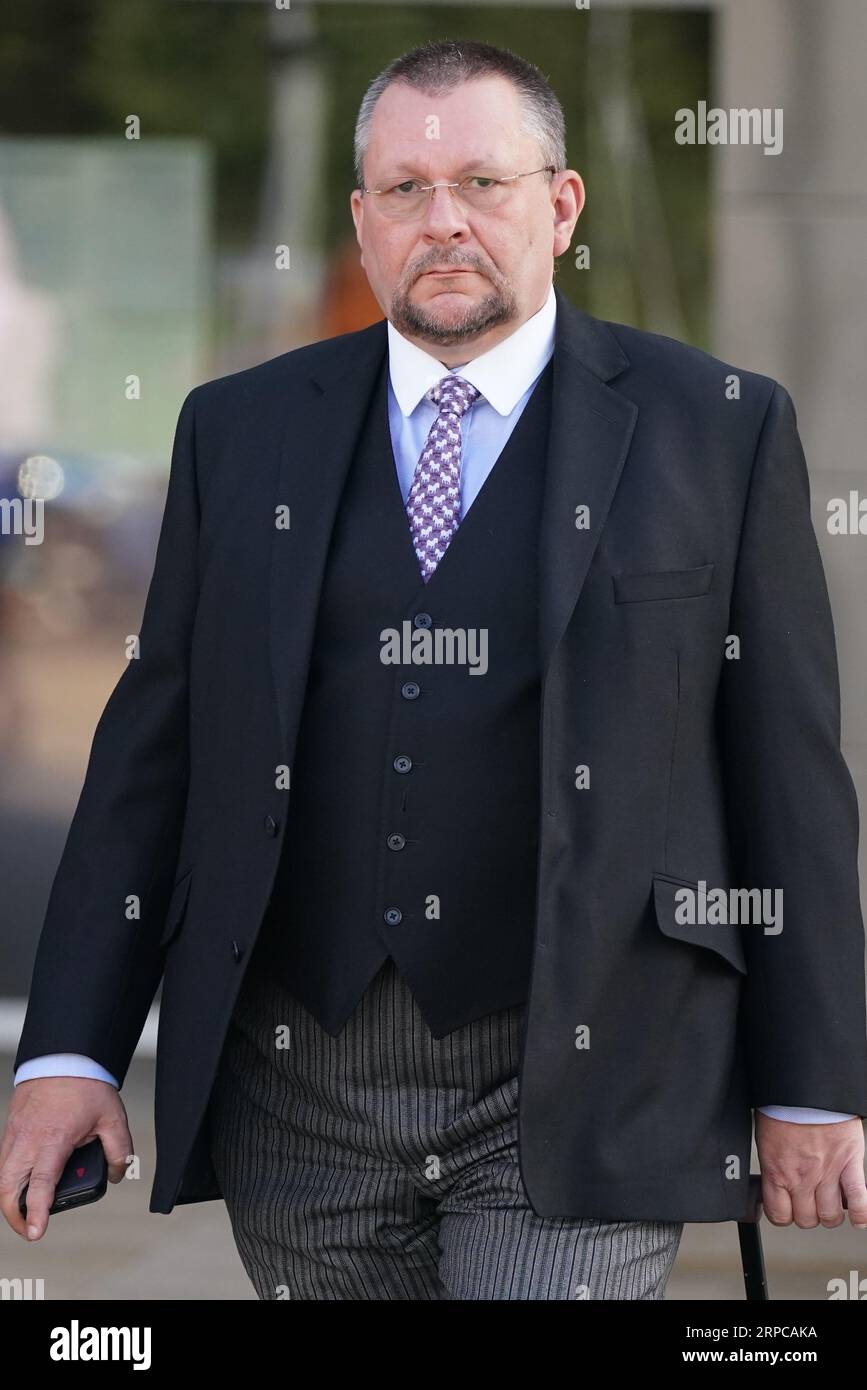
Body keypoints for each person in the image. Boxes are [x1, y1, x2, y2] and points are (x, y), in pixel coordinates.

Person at [3, 39, 866, 1302]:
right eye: (405, 189)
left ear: (561, 206)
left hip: (586, 1070)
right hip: (299, 1087)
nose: (443, 219)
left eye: (482, 182)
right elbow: (155, 755)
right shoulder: (237, 433)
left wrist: (814, 1082)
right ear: (361, 222)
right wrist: (68, 1052)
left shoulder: (719, 427)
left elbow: (787, 773)